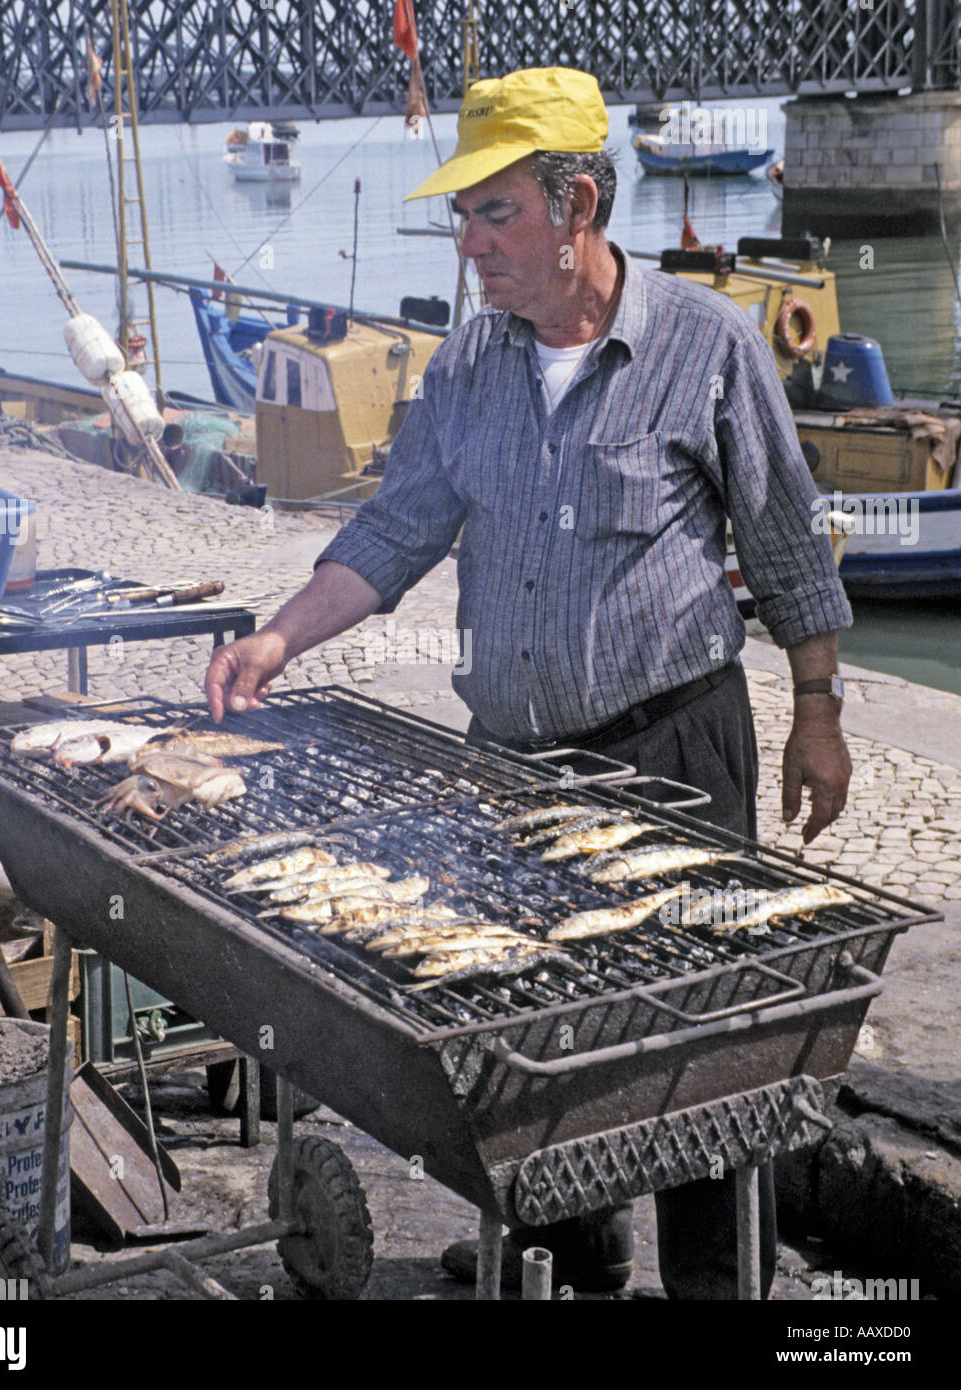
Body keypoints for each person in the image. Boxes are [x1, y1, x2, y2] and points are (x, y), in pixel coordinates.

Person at [204, 67, 853, 1299]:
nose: (470, 244)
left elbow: (781, 541)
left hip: (677, 752)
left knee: (695, 1046)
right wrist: (279, 640)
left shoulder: (704, 346)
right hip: (509, 765)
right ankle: (575, 1254)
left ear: (580, 203)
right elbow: (394, 537)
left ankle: (716, 1288)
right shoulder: (465, 370)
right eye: (463, 216)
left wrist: (815, 714)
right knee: (543, 1035)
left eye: (493, 213)